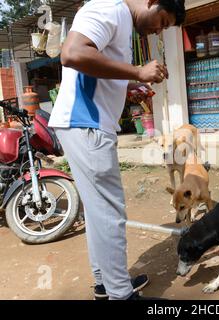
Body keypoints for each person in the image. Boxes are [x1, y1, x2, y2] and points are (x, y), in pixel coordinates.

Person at [48, 0, 185, 300]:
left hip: (83, 123)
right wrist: (136, 72)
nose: (156, 30)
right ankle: (120, 294)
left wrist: (127, 85)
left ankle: (106, 283)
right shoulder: (110, 8)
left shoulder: (119, 19)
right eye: (161, 20)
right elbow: (71, 54)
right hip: (87, 124)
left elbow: (94, 68)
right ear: (151, 1)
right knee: (110, 213)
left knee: (99, 213)